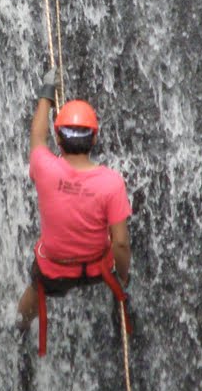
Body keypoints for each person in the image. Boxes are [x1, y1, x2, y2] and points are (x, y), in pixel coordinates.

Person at [16, 65, 132, 350]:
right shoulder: (111, 182)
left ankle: (19, 327)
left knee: (35, 286)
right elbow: (120, 244)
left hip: (54, 270)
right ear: (94, 139)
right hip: (98, 270)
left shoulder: (44, 167)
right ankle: (124, 309)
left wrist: (46, 93)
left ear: (58, 139)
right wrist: (123, 275)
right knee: (116, 267)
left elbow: (36, 138)